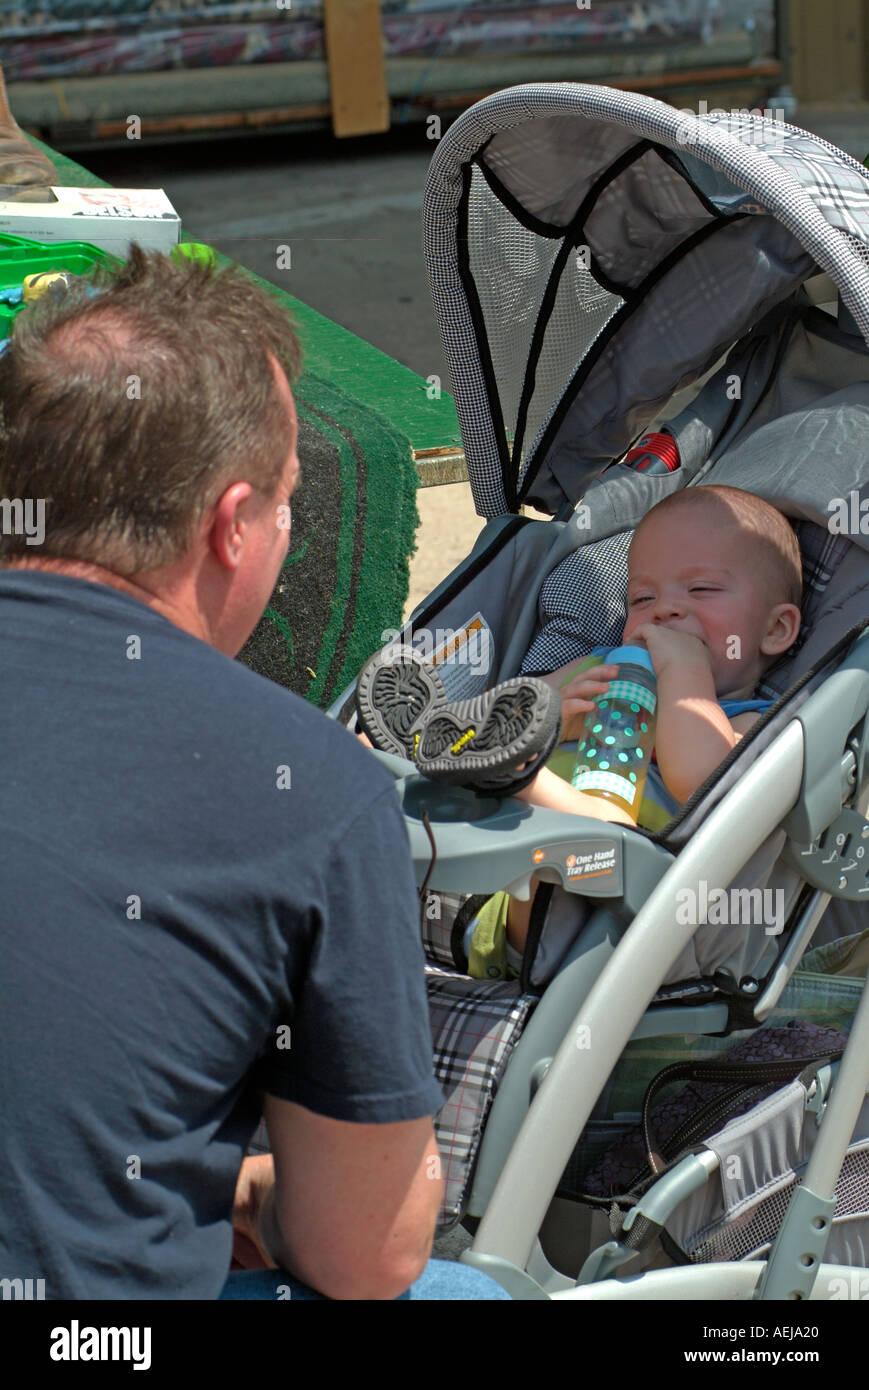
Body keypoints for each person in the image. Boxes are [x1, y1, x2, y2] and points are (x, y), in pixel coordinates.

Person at [0, 245, 508, 1300]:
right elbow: (362, 1258)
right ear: (232, 526)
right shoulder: (306, 790)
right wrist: (254, 1194)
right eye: (286, 504)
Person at [357, 486, 803, 974]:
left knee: (603, 825)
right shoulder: (602, 670)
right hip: (465, 846)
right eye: (643, 597)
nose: (665, 610)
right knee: (498, 729)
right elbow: (516, 706)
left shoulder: (751, 720)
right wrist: (555, 718)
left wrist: (685, 677)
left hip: (581, 903)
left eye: (702, 590)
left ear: (775, 630)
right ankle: (416, 745)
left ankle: (506, 768)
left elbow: (702, 782)